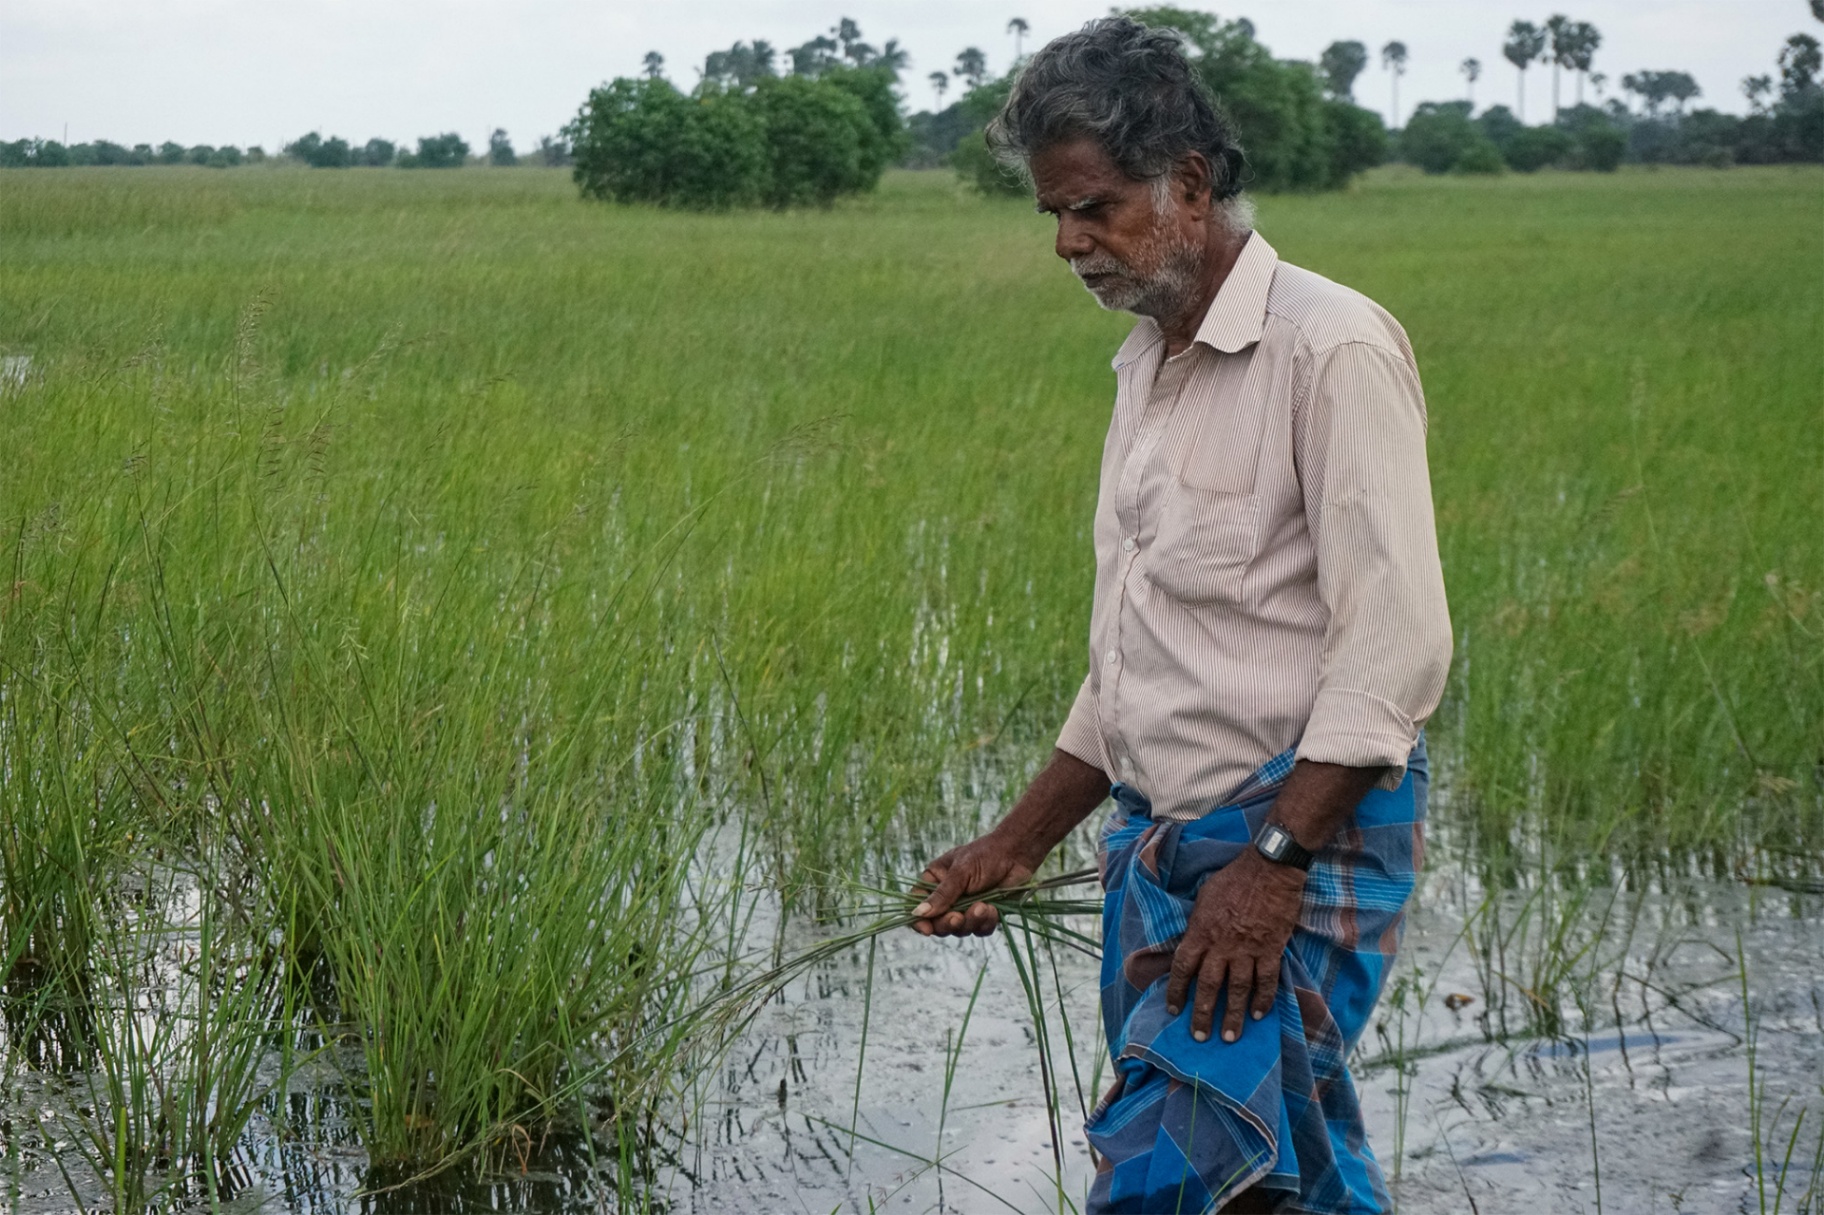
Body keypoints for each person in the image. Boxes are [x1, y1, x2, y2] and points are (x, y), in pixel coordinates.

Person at [909, 17, 1452, 1214]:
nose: (1066, 242)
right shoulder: (1148, 366)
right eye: (1052, 213)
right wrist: (1019, 840)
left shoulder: (1330, 348)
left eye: (1092, 207)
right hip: (1160, 855)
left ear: (1189, 185)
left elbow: (1398, 647)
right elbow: (1132, 664)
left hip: (1293, 842)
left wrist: (1271, 865)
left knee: (1168, 1178)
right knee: (1279, 1174)